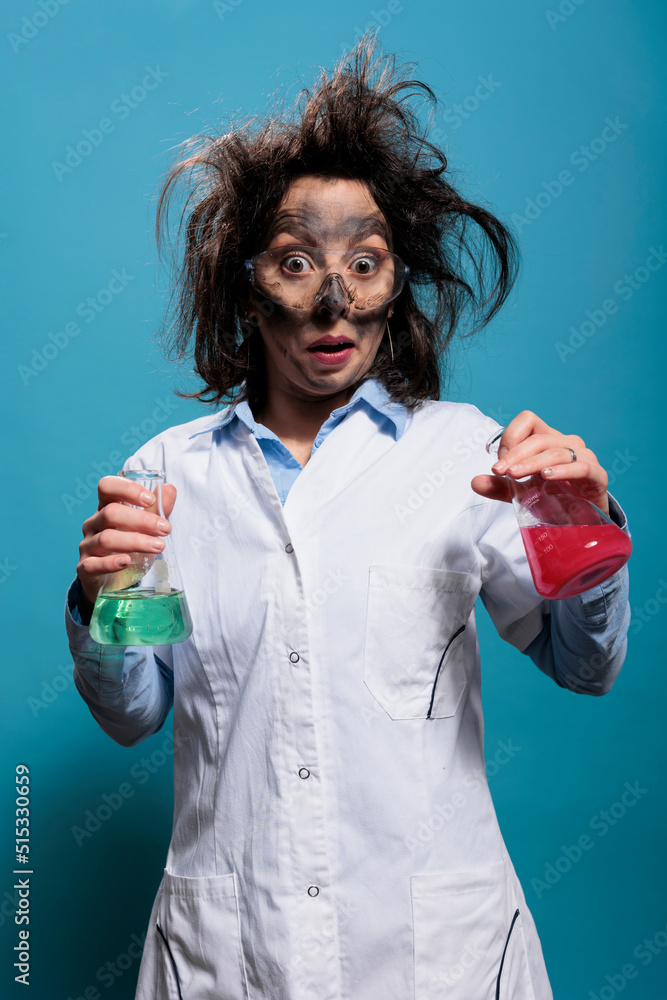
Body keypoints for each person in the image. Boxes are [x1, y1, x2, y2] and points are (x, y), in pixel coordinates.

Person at [66, 34, 630, 1000]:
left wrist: (579, 526)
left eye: (364, 264)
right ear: (245, 283)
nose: (334, 304)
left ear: (396, 280)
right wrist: (98, 601)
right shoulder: (168, 475)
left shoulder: (467, 456)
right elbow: (133, 715)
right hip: (230, 958)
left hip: (436, 958)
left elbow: (587, 665)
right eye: (295, 263)